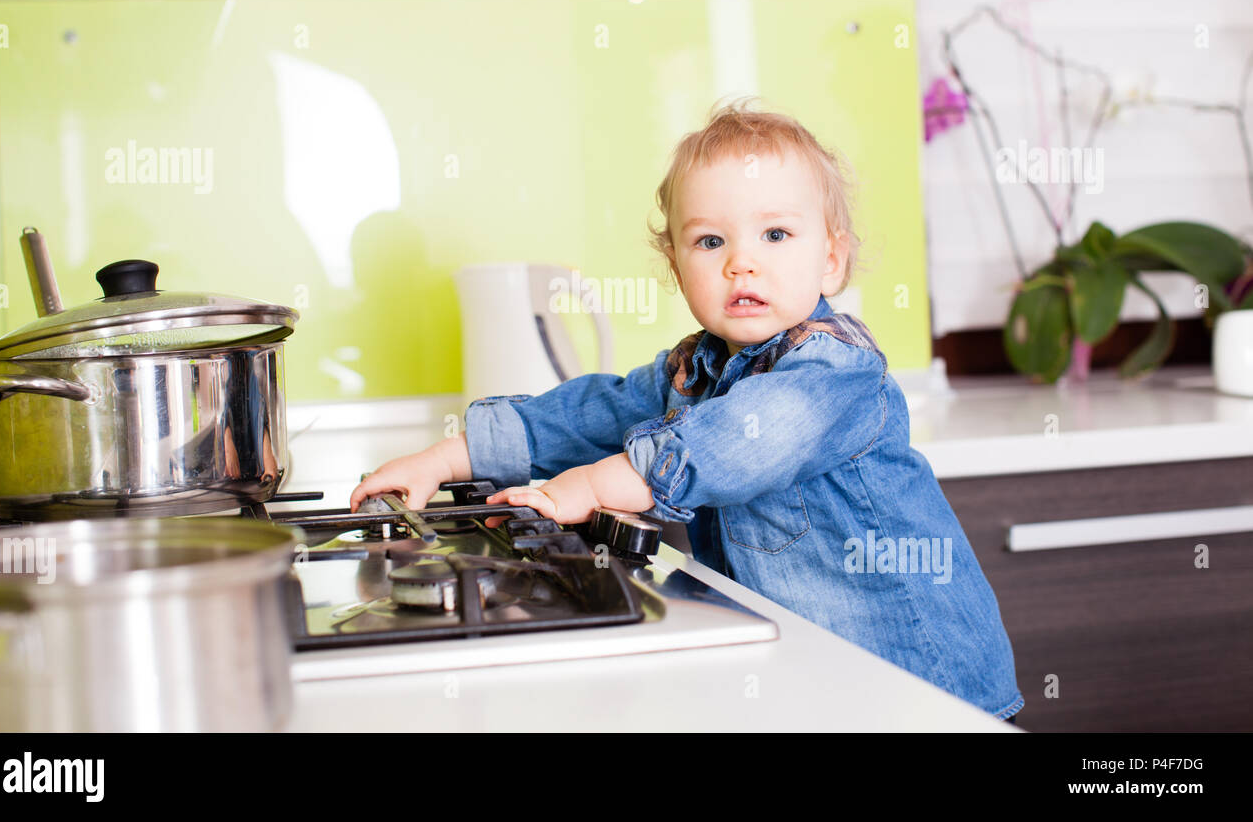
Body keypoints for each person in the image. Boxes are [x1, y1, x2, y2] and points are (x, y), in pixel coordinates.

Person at [351, 99, 1024, 722]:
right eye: (710, 242)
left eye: (776, 234)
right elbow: (586, 414)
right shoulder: (693, 369)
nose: (742, 264)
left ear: (831, 260)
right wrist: (441, 457)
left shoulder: (834, 372)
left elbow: (729, 445)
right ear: (675, 266)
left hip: (923, 686)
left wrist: (588, 485)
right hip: (821, 686)